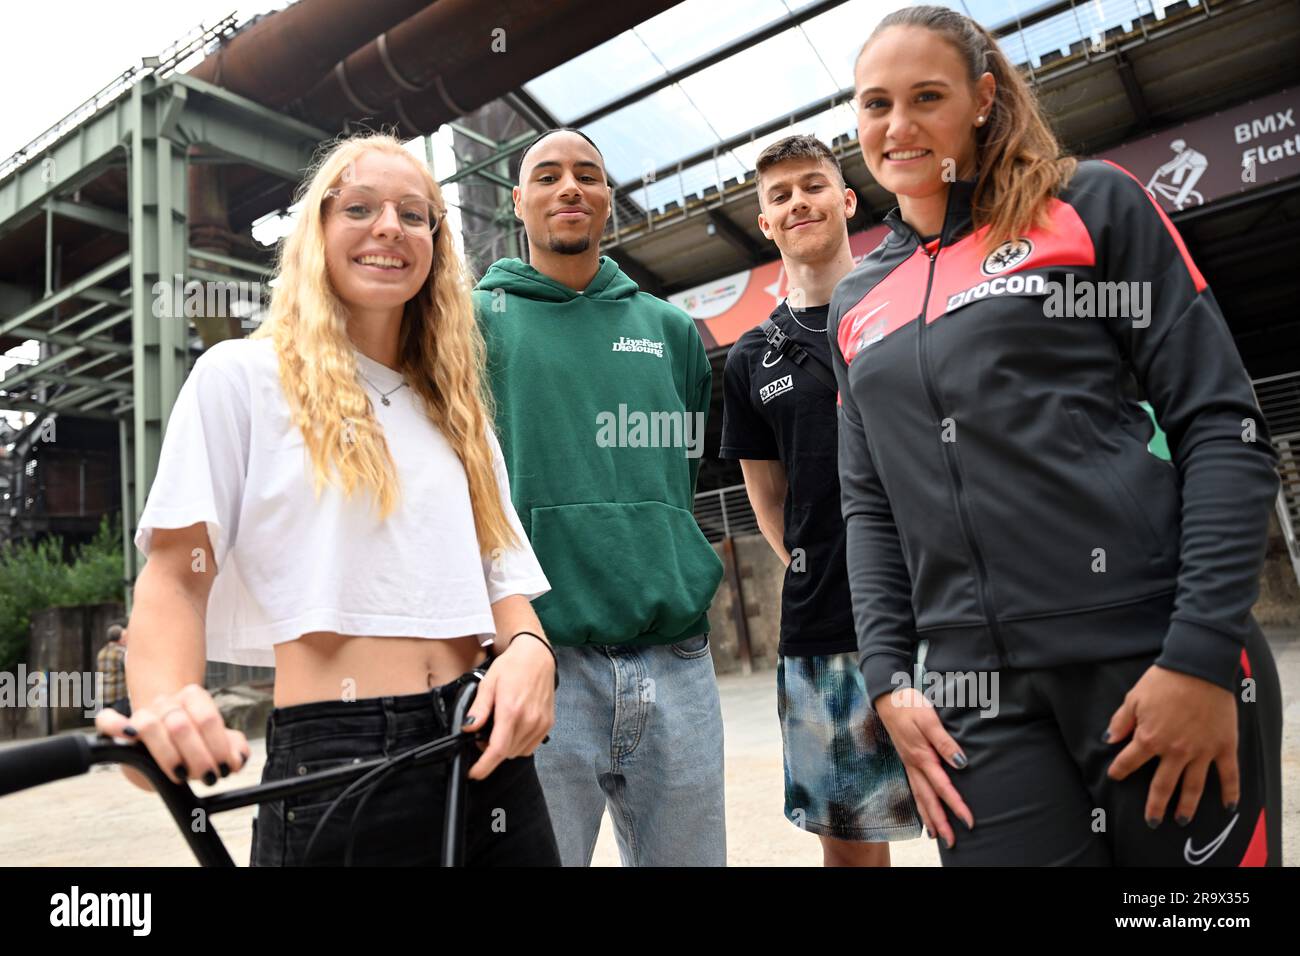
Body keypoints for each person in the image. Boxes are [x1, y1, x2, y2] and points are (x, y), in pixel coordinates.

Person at [831, 5, 1282, 866]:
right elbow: (870, 508)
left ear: (984, 100)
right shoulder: (859, 303)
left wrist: (1199, 653)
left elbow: (1221, 424)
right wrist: (888, 680)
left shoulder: (1088, 205)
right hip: (975, 701)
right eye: (875, 104)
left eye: (927, 96)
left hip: (1150, 657)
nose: (899, 126)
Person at [94, 133, 562, 867]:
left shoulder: (459, 415)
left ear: (436, 245)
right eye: (360, 207)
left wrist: (533, 653)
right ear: (316, 232)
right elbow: (177, 579)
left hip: (484, 745)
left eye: (415, 214)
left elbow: (503, 579)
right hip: (336, 754)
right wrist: (163, 702)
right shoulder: (241, 377)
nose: (389, 227)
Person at [473, 128, 727, 866]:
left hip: (676, 658)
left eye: (588, 174)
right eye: (547, 177)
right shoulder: (469, 324)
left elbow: (677, 475)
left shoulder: (672, 330)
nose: (569, 188)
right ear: (518, 202)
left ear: (609, 199)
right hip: (538, 658)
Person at [720, 134, 921, 866]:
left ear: (847, 199)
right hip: (826, 626)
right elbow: (768, 499)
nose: (797, 201)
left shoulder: (908, 300)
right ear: (764, 222)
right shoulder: (751, 357)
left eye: (812, 186)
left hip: (949, 608)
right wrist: (826, 564)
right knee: (853, 843)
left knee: (993, 822)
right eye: (779, 196)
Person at [96, 623, 130, 718]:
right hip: (118, 696)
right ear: (120, 638)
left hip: (103, 695)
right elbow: (129, 672)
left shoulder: (101, 653)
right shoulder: (121, 652)